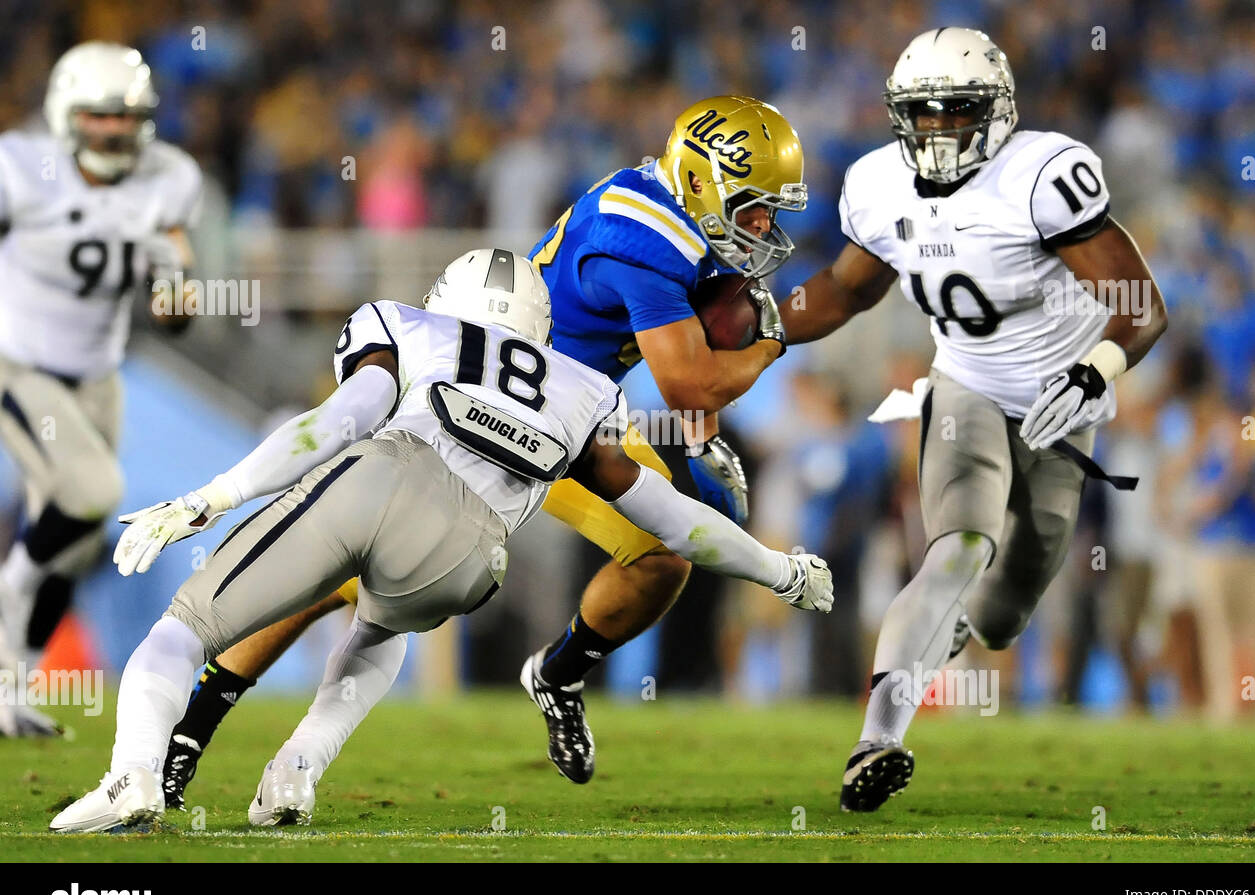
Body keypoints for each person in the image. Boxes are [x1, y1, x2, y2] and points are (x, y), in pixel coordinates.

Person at [50, 250, 832, 832]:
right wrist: (777, 568)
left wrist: (209, 498)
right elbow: (669, 518)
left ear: (449, 300)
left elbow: (341, 422)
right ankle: (295, 769)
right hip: (471, 560)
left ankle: (134, 776)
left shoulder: (408, 324)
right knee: (383, 623)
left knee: (177, 633)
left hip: (389, 473)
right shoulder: (587, 390)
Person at [160, 95, 806, 799]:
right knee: (334, 574)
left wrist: (700, 437)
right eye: (755, 207)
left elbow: (685, 375)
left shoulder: (671, 216)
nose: (766, 226)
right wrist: (772, 343)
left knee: (662, 558)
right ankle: (192, 728)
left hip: (570, 422)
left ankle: (556, 674)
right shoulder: (644, 238)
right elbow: (690, 383)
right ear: (702, 182)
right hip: (491, 412)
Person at [779, 28, 1168, 810]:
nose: (938, 129)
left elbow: (1141, 305)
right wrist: (765, 323)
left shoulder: (1040, 175)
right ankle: (877, 739)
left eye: (958, 110)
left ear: (996, 110)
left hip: (1065, 402)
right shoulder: (879, 184)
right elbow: (849, 289)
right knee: (954, 550)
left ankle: (948, 624)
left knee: (1000, 614)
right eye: (921, 114)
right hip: (965, 388)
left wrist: (1095, 367)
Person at [0, 42, 200, 736]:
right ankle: (9, 588)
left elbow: (175, 313)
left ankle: (9, 689)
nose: (115, 129)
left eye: (129, 115)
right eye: (100, 114)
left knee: (79, 547)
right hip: (19, 363)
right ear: (65, 113)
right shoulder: (20, 168)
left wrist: (175, 285)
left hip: (98, 374)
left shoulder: (170, 178)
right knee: (90, 495)